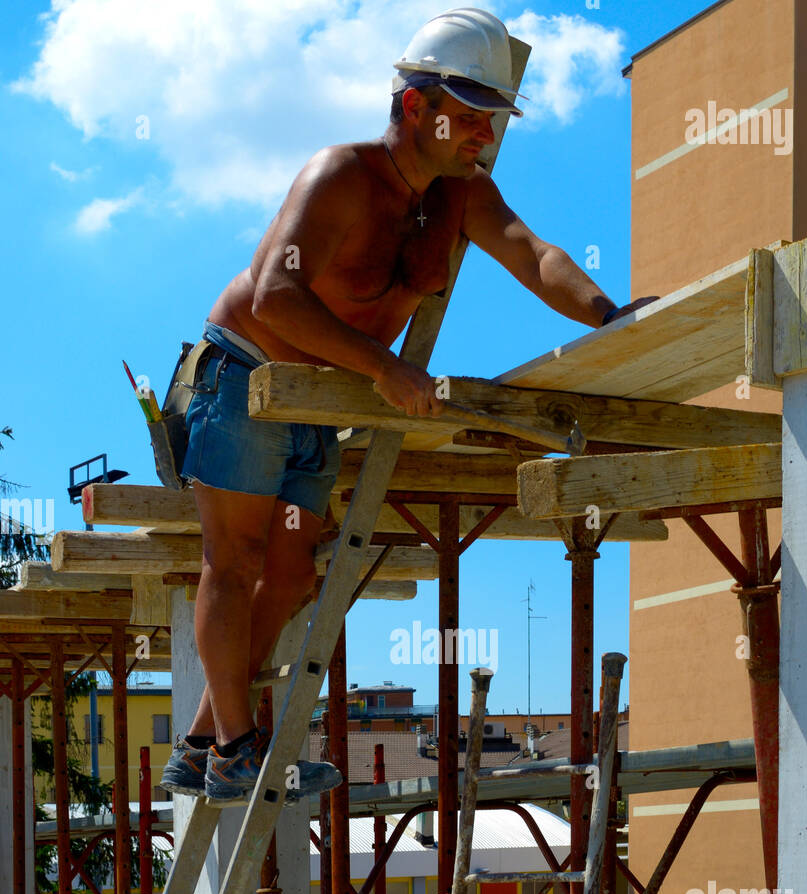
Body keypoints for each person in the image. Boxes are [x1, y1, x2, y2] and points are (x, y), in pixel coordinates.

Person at [162, 7, 657, 803]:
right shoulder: (340, 175)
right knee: (237, 561)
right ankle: (236, 750)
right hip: (247, 379)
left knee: (290, 576)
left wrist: (611, 316)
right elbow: (274, 295)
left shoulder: (462, 195)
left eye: (493, 120)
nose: (484, 136)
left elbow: (534, 254)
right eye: (471, 117)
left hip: (320, 399)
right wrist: (383, 368)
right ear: (414, 105)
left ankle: (203, 746)